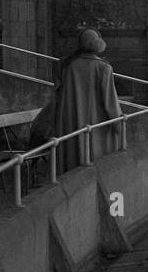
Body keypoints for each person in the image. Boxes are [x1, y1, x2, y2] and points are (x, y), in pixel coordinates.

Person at [51, 28, 122, 173]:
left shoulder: (66, 65)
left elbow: (57, 98)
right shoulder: (103, 68)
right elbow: (111, 104)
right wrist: (119, 127)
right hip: (95, 126)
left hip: (68, 125)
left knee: (71, 167)